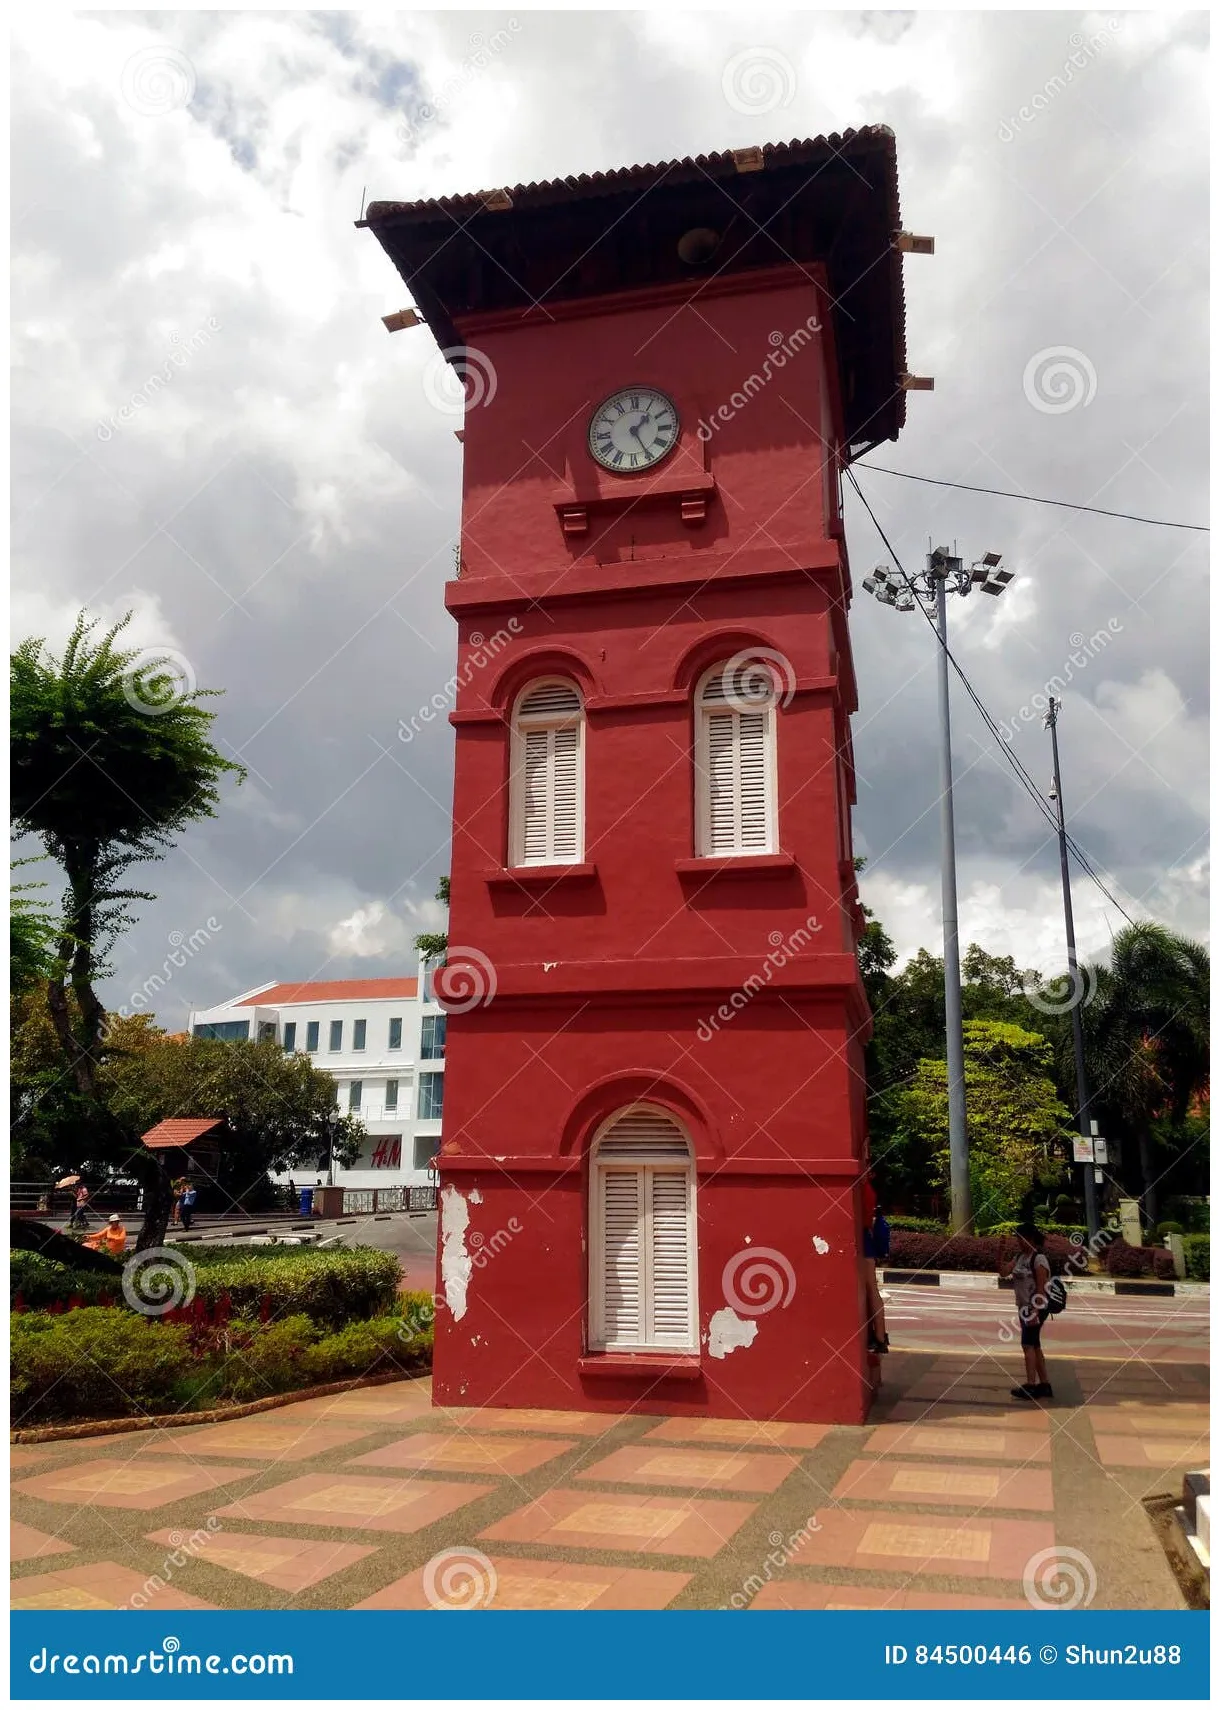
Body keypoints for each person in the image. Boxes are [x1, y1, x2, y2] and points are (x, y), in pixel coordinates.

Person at [1001, 1222, 1054, 1401]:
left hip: (1034, 1308)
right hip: (1024, 1307)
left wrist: (1035, 1311)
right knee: (1035, 1345)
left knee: (1027, 1345)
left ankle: (1031, 1385)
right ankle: (1045, 1385)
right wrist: (1000, 1253)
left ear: (1030, 1239)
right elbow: (1003, 1272)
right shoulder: (1019, 1257)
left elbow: (1041, 1288)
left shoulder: (1039, 1259)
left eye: (1020, 1238)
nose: (1018, 1242)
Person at [861, 1175, 889, 1355]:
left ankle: (878, 1337)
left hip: (862, 1240)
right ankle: (880, 1336)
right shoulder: (868, 1188)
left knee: (870, 1289)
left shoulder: (862, 1189)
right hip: (867, 1240)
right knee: (872, 1289)